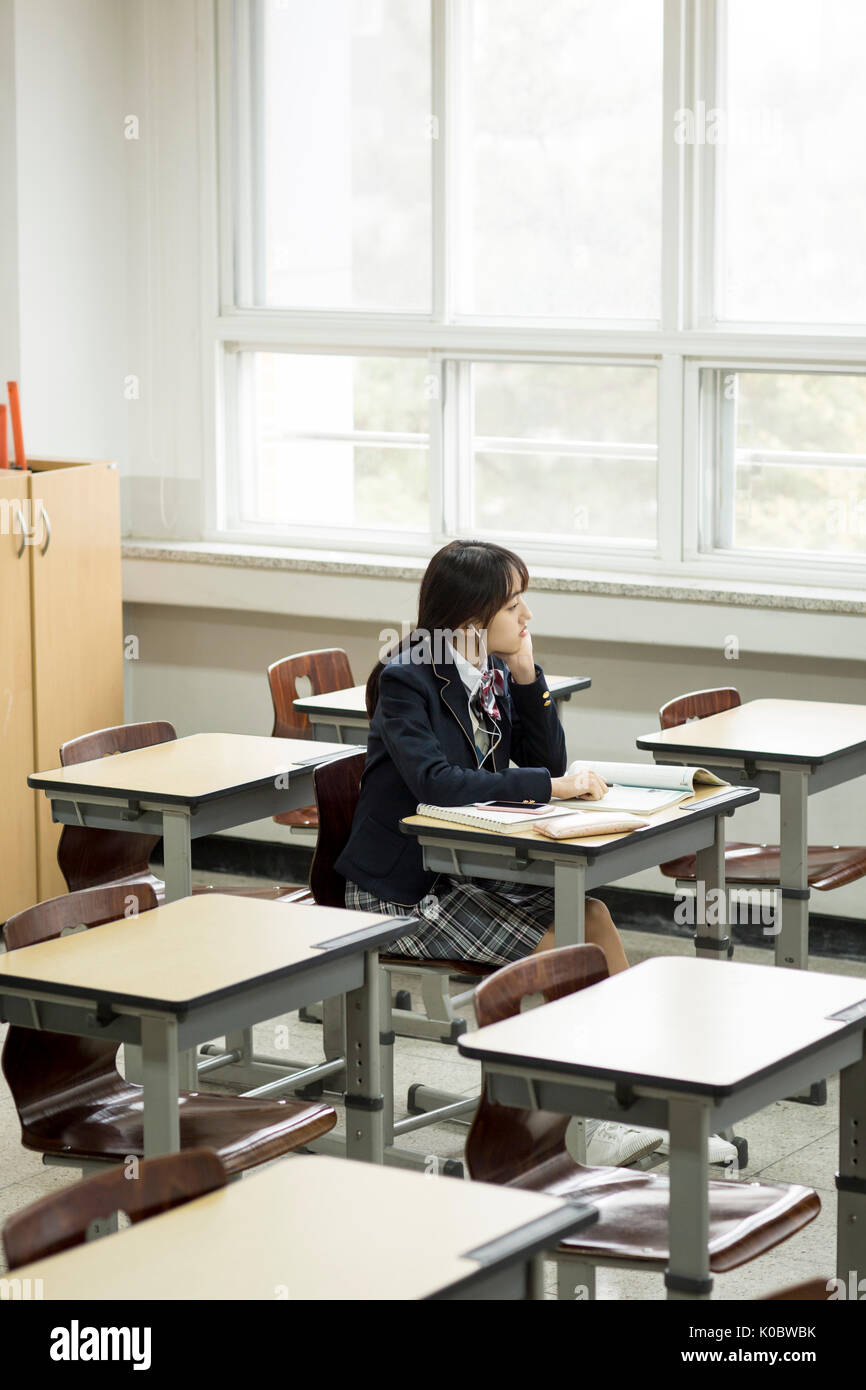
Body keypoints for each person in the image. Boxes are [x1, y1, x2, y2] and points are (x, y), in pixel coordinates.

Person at [337, 538, 735, 1170]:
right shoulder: (405, 677)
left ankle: (648, 1101)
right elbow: (438, 783)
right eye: (515, 604)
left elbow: (544, 758)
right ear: (471, 618)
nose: (527, 618)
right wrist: (549, 789)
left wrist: (527, 677)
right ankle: (593, 1119)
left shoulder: (491, 667)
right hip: (403, 892)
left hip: (464, 872)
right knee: (562, 950)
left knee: (594, 918)